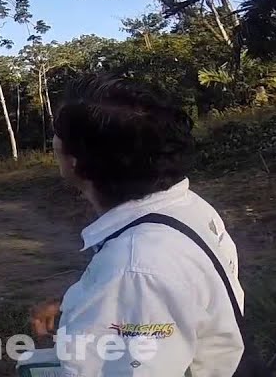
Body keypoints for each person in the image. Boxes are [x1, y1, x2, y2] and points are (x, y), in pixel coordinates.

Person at [31, 76, 249, 376]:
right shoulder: (184, 206)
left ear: (76, 162)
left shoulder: (136, 267)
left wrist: (116, 298)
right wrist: (80, 306)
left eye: (57, 134)